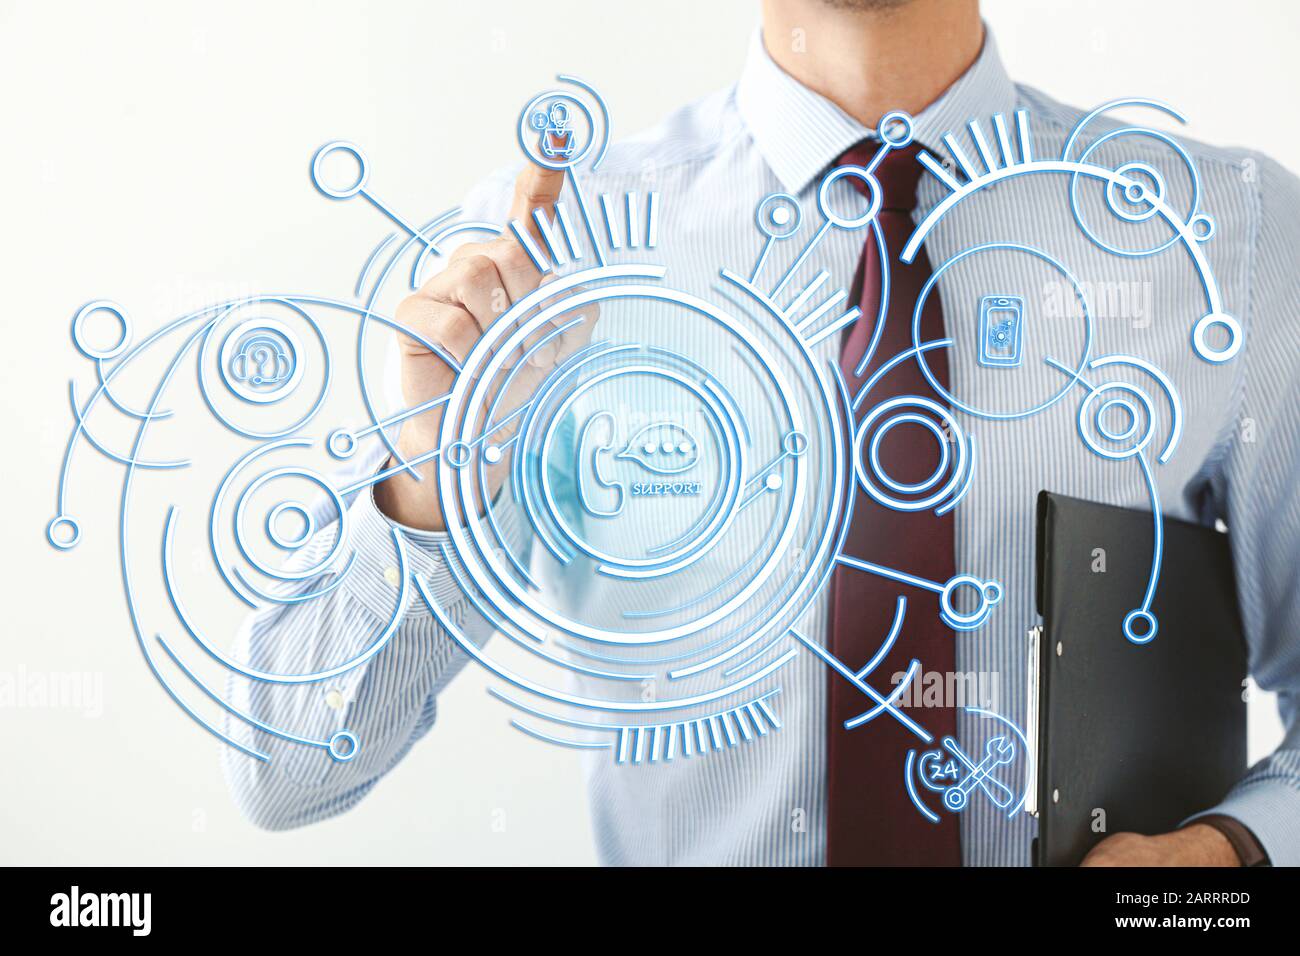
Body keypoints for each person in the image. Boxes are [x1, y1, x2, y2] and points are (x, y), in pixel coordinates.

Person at [222, 0, 1300, 866]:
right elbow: (287, 770)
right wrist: (433, 475)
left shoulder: (1230, 237)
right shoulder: (543, 256)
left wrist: (1231, 851)